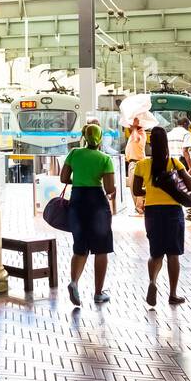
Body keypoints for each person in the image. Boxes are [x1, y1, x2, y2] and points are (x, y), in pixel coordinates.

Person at [131, 126, 191, 306]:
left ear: (151, 143)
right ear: (166, 143)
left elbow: (136, 190)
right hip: (172, 211)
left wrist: (151, 189)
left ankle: (152, 282)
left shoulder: (142, 165)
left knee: (156, 252)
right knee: (173, 254)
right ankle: (173, 294)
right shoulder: (174, 163)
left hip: (152, 212)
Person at [59, 123, 116, 307]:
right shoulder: (104, 158)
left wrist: (79, 178)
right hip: (97, 204)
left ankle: (74, 282)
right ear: (100, 138)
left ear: (84, 136)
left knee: (80, 246)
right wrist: (111, 188)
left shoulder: (74, 153)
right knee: (101, 249)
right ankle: (98, 293)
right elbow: (109, 189)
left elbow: (63, 178)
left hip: (77, 201)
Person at [168, 116, 191, 223]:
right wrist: (190, 168)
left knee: (175, 187)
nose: (189, 128)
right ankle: (190, 213)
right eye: (188, 125)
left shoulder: (169, 133)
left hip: (170, 163)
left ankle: (176, 210)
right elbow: (185, 151)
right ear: (185, 124)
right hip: (181, 163)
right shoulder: (186, 133)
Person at [124, 118, 146, 214]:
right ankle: (138, 207)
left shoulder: (140, 133)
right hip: (133, 163)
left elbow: (137, 139)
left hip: (137, 163)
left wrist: (134, 127)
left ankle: (140, 207)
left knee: (136, 187)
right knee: (133, 187)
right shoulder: (134, 133)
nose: (129, 126)